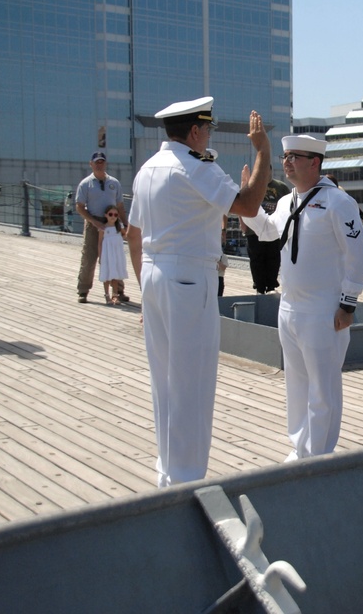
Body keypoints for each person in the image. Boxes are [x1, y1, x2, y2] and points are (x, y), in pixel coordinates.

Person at [128, 97, 272, 487]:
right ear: (194, 131)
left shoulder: (147, 170)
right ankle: (187, 480)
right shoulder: (192, 168)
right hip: (189, 278)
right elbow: (248, 203)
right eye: (207, 129)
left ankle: (168, 471)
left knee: (165, 381)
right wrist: (263, 152)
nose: (208, 135)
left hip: (154, 276)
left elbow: (134, 234)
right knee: (192, 381)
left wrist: (144, 286)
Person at [242, 134, 363, 461]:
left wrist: (348, 302)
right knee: (297, 386)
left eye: (293, 157)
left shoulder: (337, 202)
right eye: (285, 156)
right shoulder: (287, 201)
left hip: (323, 309)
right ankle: (300, 448)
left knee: (322, 389)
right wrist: (245, 202)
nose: (286, 162)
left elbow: (360, 256)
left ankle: (320, 454)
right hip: (290, 307)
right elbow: (268, 231)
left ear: (314, 162)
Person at [75, 151, 128, 304]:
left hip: (113, 222)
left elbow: (120, 206)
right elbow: (79, 207)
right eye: (96, 162)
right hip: (94, 223)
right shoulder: (85, 184)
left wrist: (125, 224)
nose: (99, 164)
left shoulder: (114, 183)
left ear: (105, 164)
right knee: (90, 257)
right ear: (91, 164)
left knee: (116, 256)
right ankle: (83, 291)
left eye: (102, 162)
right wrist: (94, 222)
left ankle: (118, 291)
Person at [240, 177, 290, 293]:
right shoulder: (252, 185)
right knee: (256, 258)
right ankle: (259, 285)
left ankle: (271, 285)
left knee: (274, 258)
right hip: (253, 229)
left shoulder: (280, 187)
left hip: (274, 228)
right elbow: (242, 203)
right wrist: (243, 224)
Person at [97, 205, 128, 305]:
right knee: (107, 274)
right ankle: (107, 295)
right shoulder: (103, 228)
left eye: (115, 214)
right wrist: (100, 256)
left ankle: (115, 295)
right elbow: (100, 242)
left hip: (116, 252)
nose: (113, 216)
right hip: (107, 253)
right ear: (106, 215)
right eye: (110, 214)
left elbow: (125, 234)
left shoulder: (119, 227)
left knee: (115, 274)